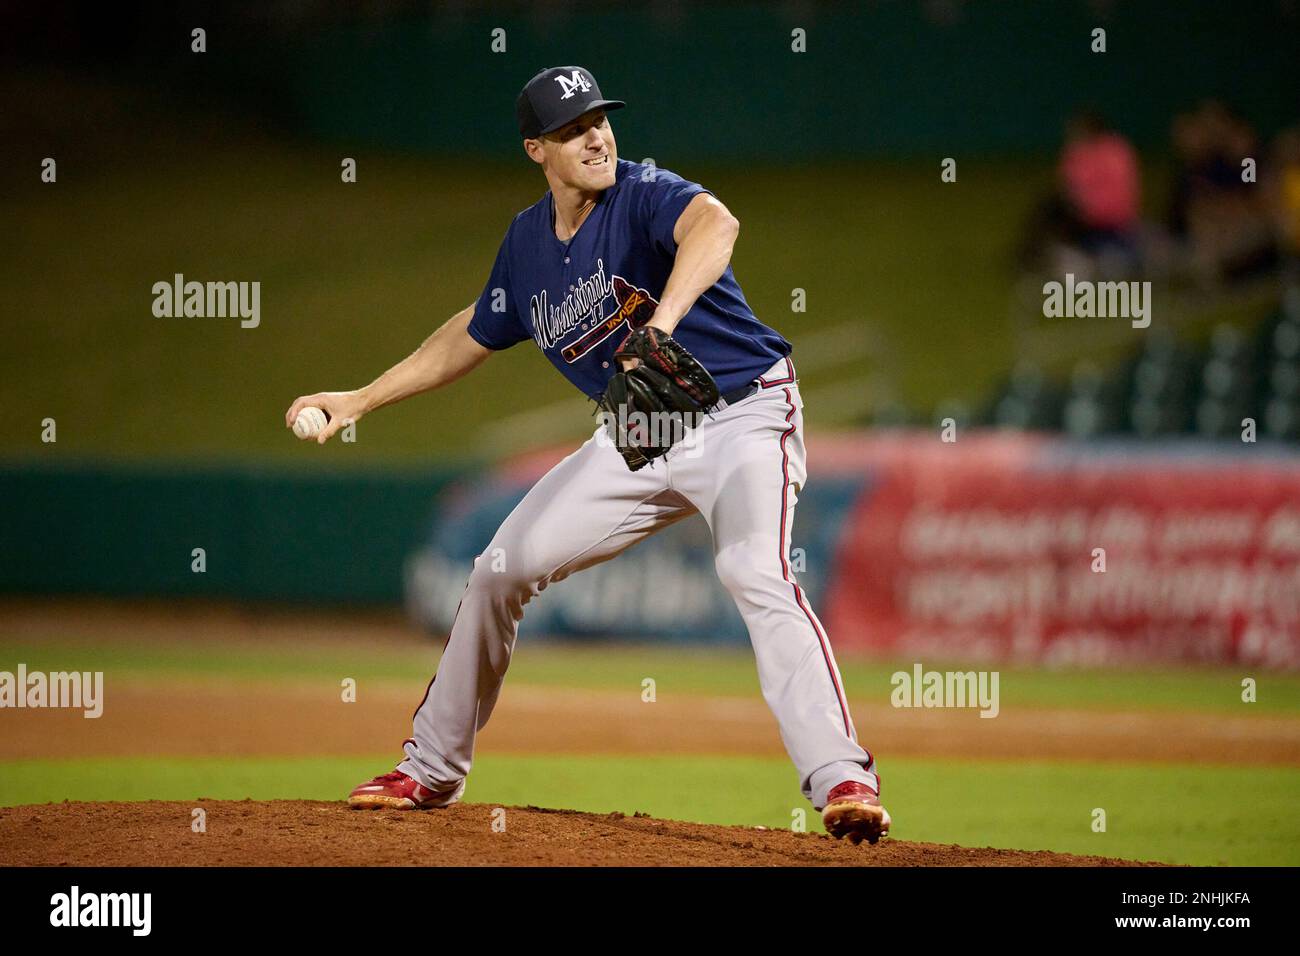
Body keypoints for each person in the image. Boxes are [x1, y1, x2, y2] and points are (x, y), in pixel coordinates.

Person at [285, 66, 889, 845]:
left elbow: (718, 227)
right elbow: (472, 331)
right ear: (537, 149)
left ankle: (842, 776)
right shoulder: (528, 244)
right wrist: (359, 400)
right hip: (644, 427)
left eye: (599, 119)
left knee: (753, 569)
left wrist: (664, 320)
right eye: (572, 130)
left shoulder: (644, 193)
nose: (595, 136)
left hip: (743, 409)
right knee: (500, 569)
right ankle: (430, 768)